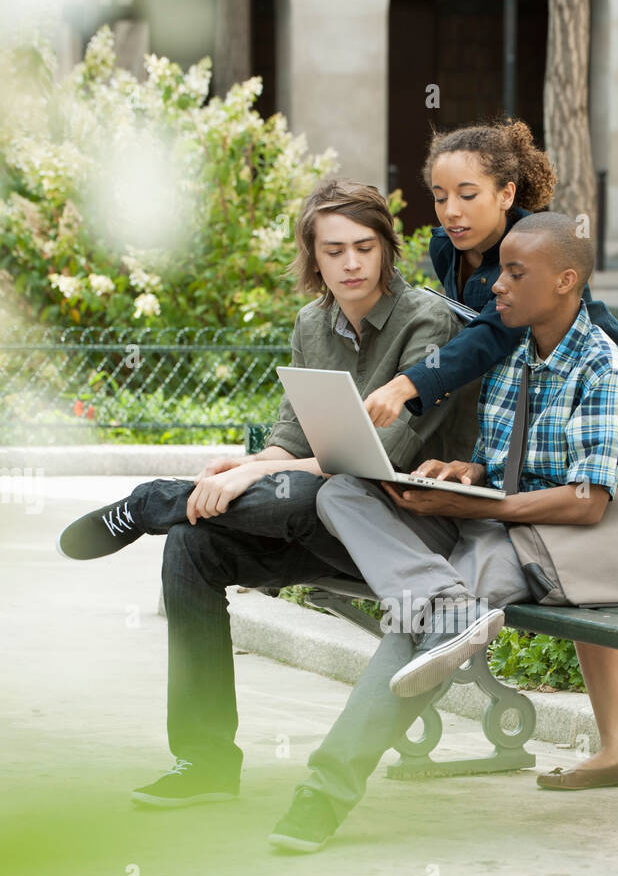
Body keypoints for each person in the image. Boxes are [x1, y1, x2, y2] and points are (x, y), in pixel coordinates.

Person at [56, 178, 478, 811]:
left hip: (401, 535)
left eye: (365, 247)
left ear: (387, 248)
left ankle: (149, 502)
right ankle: (203, 761)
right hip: (326, 526)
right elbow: (292, 440)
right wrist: (250, 466)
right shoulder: (313, 324)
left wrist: (253, 477)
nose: (352, 263)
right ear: (314, 257)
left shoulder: (427, 322)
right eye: (334, 250)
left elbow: (378, 458)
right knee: (192, 545)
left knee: (311, 495)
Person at [277, 212, 618, 854]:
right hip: (481, 518)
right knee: (342, 490)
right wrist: (460, 475)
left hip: (542, 540)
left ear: (565, 281)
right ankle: (441, 601)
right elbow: (495, 462)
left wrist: (478, 508)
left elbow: (588, 503)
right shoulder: (516, 355)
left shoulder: (602, 369)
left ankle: (325, 792)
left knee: (418, 620)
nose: (496, 285)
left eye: (515, 273)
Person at [362, 120, 618, 732]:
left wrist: (408, 384)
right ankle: (617, 742)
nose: (451, 211)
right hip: (542, 386)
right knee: (587, 555)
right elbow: (481, 335)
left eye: (468, 195)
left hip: (611, 387)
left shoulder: (534, 252)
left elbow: (488, 338)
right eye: (439, 196)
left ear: (507, 195)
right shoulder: (448, 249)